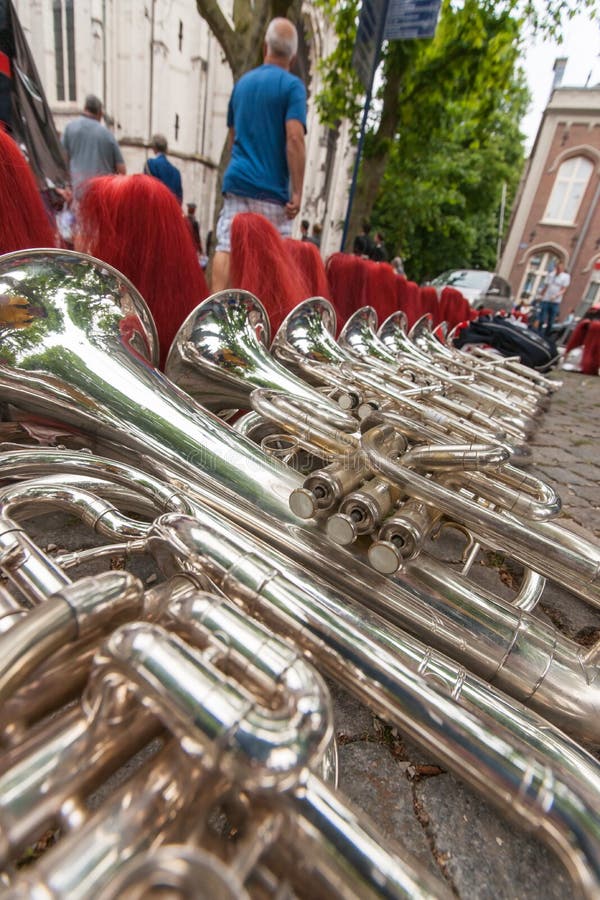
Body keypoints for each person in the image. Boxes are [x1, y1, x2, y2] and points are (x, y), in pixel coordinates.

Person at [211, 17, 307, 292]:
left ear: (266, 46)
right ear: (293, 56)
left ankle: (214, 312)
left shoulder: (242, 84)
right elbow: (294, 138)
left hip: (239, 182)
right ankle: (264, 321)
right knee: (273, 262)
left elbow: (233, 136)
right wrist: (297, 192)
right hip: (272, 192)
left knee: (227, 246)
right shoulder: (292, 87)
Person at [61, 94, 125, 197]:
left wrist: (66, 186)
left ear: (85, 108)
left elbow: (62, 160)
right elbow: (121, 170)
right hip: (101, 196)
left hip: (78, 194)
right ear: (100, 113)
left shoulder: (69, 128)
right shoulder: (108, 135)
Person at [144, 134, 183, 205]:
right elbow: (179, 200)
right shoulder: (176, 172)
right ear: (166, 149)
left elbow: (146, 191)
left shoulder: (150, 164)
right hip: (171, 212)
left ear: (154, 147)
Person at [537, 260, 570, 337]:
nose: (558, 269)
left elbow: (564, 289)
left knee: (551, 321)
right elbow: (546, 286)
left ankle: (546, 336)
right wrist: (541, 295)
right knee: (542, 318)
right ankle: (538, 333)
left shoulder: (565, 277)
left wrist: (556, 295)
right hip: (546, 299)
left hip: (555, 301)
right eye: (557, 267)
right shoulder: (551, 275)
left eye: (560, 268)